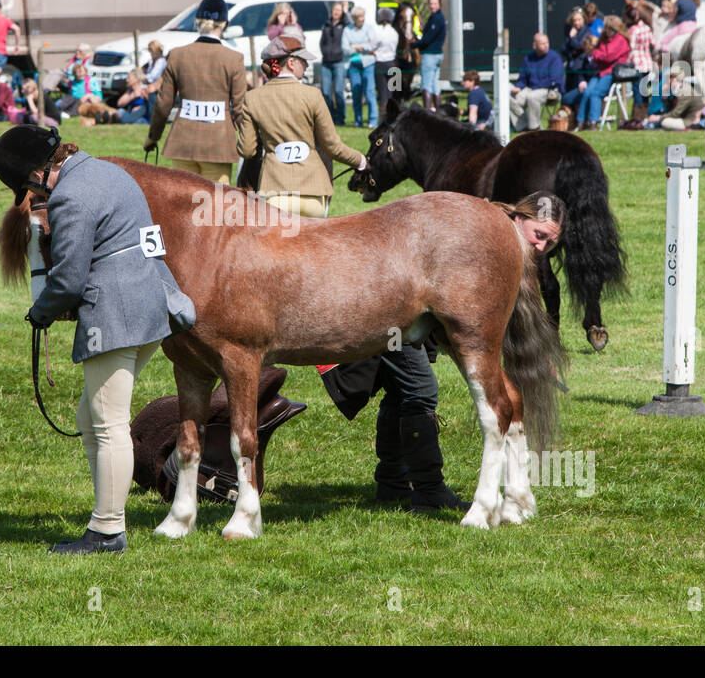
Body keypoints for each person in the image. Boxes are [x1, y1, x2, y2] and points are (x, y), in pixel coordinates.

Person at [0, 126, 193, 555]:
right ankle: (110, 505)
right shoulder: (111, 172)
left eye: (28, 185)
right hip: (151, 306)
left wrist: (40, 311)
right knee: (90, 417)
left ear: (36, 170)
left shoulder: (71, 197)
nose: (32, 191)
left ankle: (107, 531)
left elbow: (67, 278)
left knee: (107, 423)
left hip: (116, 316)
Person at [322, 191, 564, 514]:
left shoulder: (494, 244)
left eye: (549, 244)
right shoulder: (481, 239)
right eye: (539, 236)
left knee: (402, 390)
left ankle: (394, 480)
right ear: (520, 217)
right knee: (420, 389)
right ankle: (428, 489)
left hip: (404, 314)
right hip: (399, 314)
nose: (540, 248)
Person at [237, 34, 367, 216]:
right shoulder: (313, 95)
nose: (306, 65)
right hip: (313, 194)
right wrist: (360, 161)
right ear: (291, 63)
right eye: (303, 60)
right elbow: (332, 147)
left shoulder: (252, 98)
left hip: (275, 194)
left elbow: (247, 150)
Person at [144, 0, 247, 184]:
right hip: (218, 145)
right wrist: (249, 142)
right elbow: (240, 108)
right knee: (215, 206)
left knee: (184, 205)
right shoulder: (234, 59)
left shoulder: (177, 55)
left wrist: (153, 137)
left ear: (197, 21)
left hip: (183, 142)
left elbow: (163, 103)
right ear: (224, 24)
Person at [574, 15, 629, 130]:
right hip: (600, 71)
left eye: (607, 27)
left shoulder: (620, 40)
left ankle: (594, 122)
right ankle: (581, 122)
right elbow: (598, 54)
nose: (604, 30)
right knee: (587, 92)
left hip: (612, 73)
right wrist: (599, 55)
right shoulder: (604, 39)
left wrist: (599, 55)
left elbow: (608, 57)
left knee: (596, 93)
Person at [510, 32, 563, 131]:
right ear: (535, 46)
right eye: (542, 43)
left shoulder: (555, 58)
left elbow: (555, 80)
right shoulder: (528, 59)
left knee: (532, 97)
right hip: (531, 89)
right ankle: (523, 126)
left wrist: (533, 88)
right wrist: (518, 87)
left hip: (551, 91)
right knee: (508, 97)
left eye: (547, 42)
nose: (546, 45)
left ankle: (535, 128)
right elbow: (523, 78)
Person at [621, 4, 658, 130]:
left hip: (637, 62)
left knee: (637, 90)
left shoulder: (633, 30)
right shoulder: (647, 28)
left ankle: (637, 117)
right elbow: (654, 43)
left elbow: (630, 47)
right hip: (647, 62)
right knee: (645, 91)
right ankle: (645, 114)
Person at [342, 6, 379, 128]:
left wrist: (356, 46)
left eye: (363, 16)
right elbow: (345, 49)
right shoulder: (347, 30)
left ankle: (372, 121)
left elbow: (373, 44)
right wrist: (362, 47)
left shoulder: (369, 28)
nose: (362, 19)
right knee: (356, 93)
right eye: (359, 17)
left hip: (368, 63)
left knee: (369, 92)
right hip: (353, 65)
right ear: (354, 18)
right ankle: (358, 120)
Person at [414, 0, 446, 111]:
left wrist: (413, 44)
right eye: (431, 3)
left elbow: (427, 39)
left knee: (426, 85)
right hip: (437, 55)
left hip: (431, 55)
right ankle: (438, 112)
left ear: (440, 5)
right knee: (434, 85)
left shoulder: (437, 18)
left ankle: (427, 113)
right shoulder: (435, 18)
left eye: (435, 4)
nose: (432, 6)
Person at [318, 2, 349, 125]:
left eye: (339, 10)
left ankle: (341, 117)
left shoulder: (345, 25)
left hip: (339, 62)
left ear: (341, 13)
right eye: (335, 10)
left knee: (338, 91)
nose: (336, 12)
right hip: (326, 62)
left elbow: (350, 22)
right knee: (325, 92)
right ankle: (330, 117)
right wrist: (324, 52)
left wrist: (346, 12)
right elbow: (322, 42)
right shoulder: (326, 25)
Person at [372, 7, 398, 124]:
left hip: (380, 63)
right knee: (392, 93)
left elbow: (373, 46)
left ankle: (383, 120)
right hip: (392, 63)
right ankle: (394, 118)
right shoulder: (394, 32)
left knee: (382, 94)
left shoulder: (379, 31)